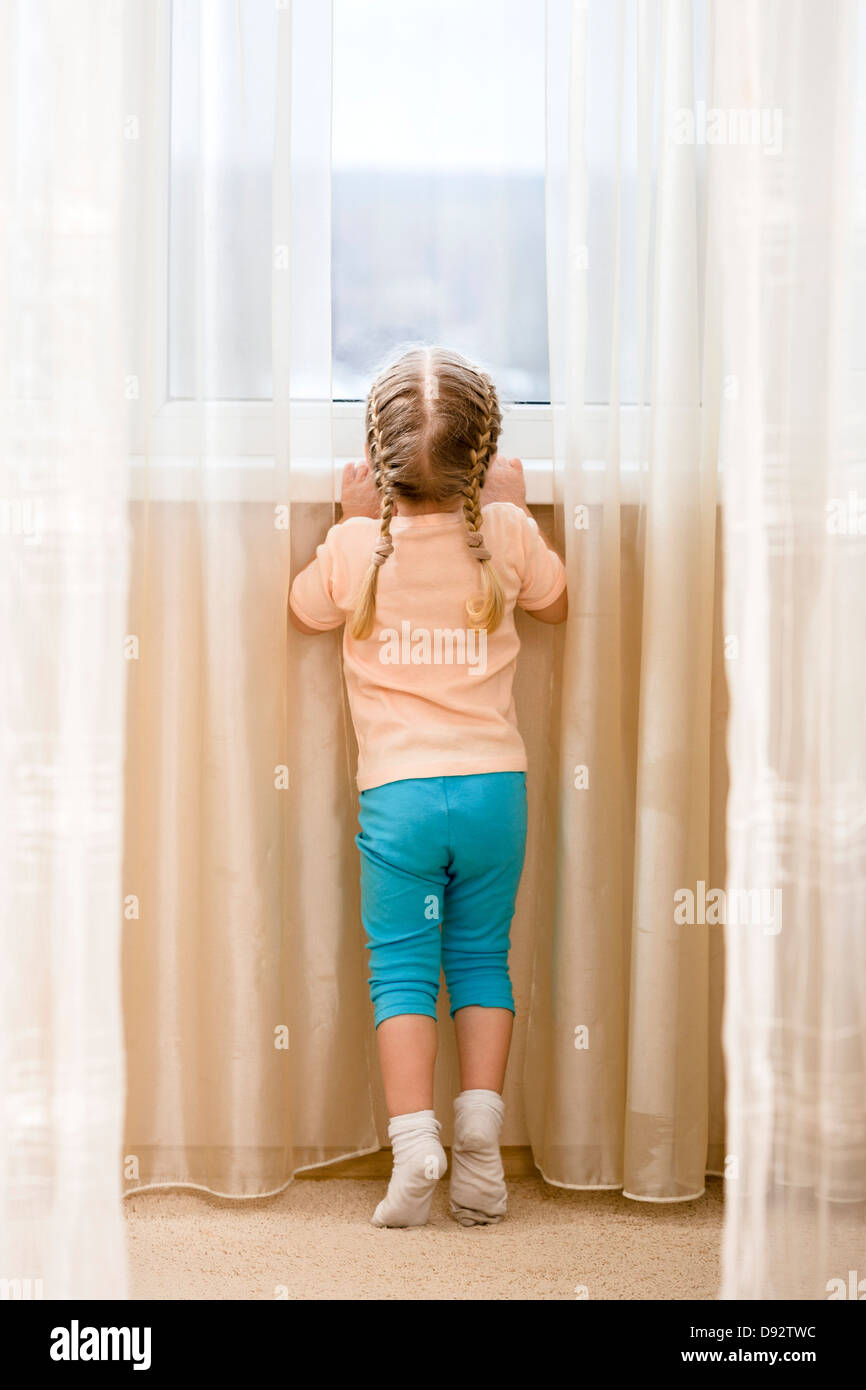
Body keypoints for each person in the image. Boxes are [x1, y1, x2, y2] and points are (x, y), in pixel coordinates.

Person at [288, 346, 567, 1228]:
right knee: (482, 958)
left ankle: (415, 1146)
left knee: (402, 972)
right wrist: (516, 509)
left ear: (378, 462)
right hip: (494, 792)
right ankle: (482, 1145)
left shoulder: (349, 549)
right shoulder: (510, 538)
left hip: (398, 801)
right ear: (482, 463)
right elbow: (559, 602)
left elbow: (302, 610)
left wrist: (348, 518)